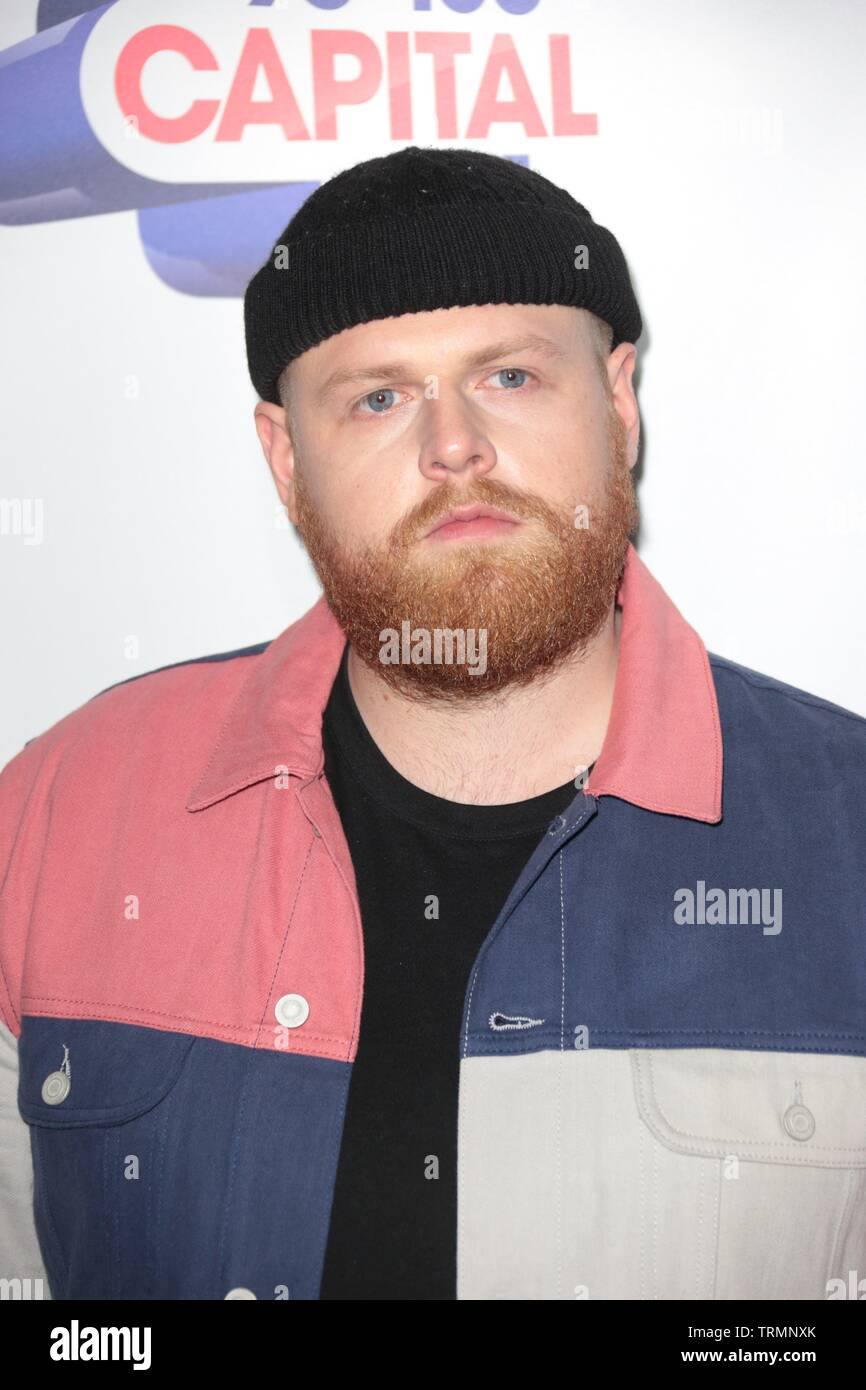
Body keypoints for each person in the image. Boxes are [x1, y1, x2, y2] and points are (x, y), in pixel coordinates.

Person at [2, 146, 865, 1302]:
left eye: (507, 376)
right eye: (376, 395)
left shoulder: (844, 833)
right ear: (285, 461)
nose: (449, 445)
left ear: (618, 403)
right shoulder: (59, 810)